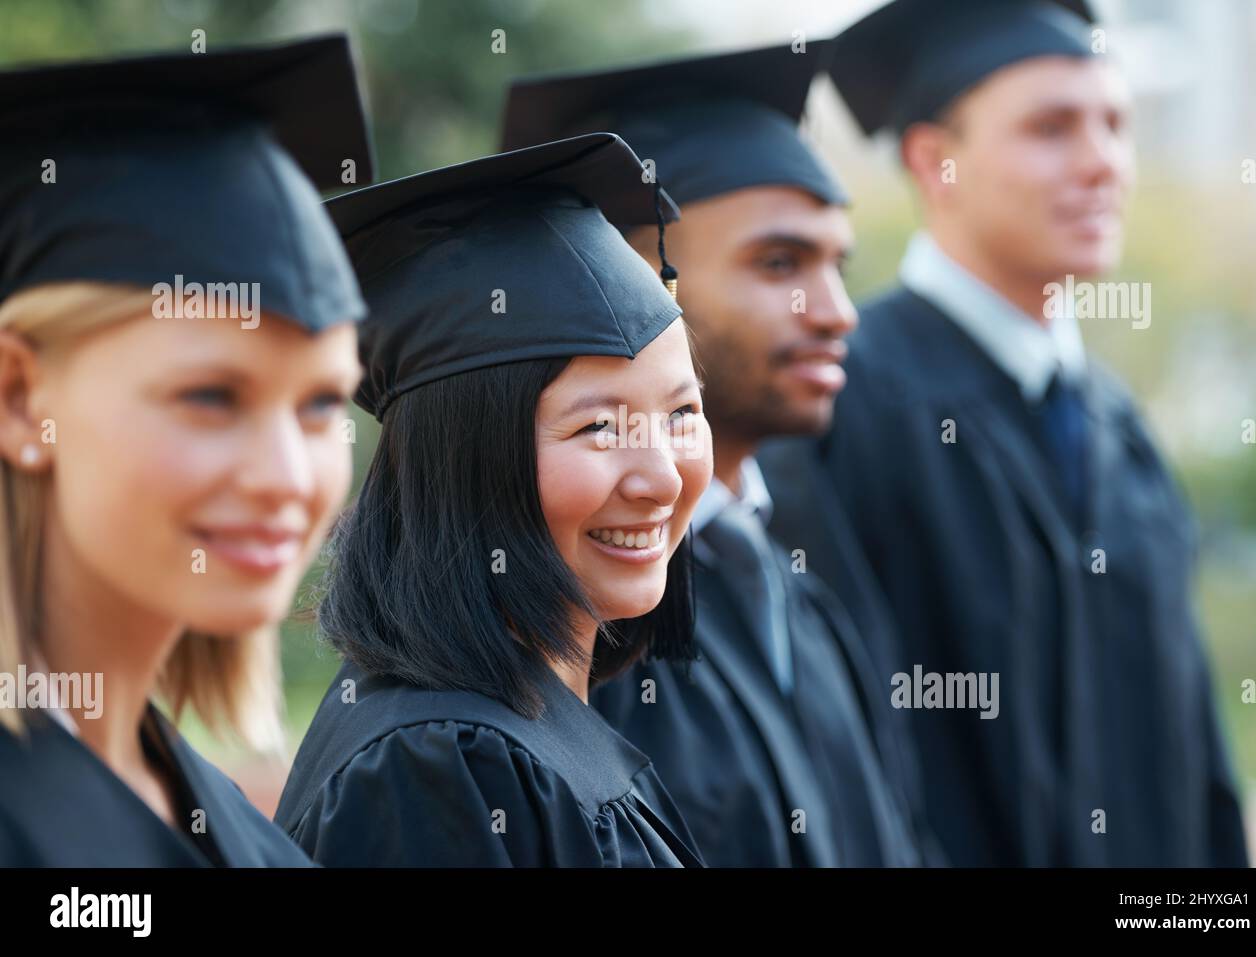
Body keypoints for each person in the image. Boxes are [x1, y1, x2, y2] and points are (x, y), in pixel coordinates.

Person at [762, 0, 1250, 866]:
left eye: (1116, 124)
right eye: (1051, 128)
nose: (1104, 164)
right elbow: (832, 754)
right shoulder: (838, 404)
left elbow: (1195, 749)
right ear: (934, 161)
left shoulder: (1119, 426)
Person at [502, 43, 933, 866]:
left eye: (837, 265)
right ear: (630, 277)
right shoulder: (573, 624)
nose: (838, 311)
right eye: (781, 263)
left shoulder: (804, 593)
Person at [274, 133, 712, 867]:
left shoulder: (524, 724)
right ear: (465, 460)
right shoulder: (438, 766)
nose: (662, 476)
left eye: (681, 414)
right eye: (598, 427)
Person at [0, 36, 373, 866]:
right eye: (211, 397)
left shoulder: (237, 832)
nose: (286, 478)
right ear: (20, 397)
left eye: (319, 405)